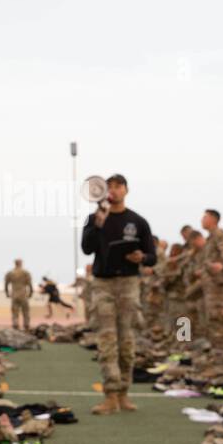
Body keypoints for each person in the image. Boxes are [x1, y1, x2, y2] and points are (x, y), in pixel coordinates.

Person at [81, 174, 155, 415]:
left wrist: (141, 258)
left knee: (127, 340)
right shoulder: (95, 218)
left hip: (129, 284)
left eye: (118, 186)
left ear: (126, 190)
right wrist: (98, 223)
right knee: (107, 340)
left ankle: (124, 392)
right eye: (109, 187)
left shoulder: (138, 221)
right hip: (103, 284)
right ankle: (110, 395)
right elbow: (86, 248)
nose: (113, 190)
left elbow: (151, 255)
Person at [199, 209, 223, 344]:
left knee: (219, 317)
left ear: (213, 220)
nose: (202, 220)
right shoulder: (211, 237)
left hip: (219, 286)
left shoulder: (219, 235)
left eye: (205, 217)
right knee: (212, 317)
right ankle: (217, 349)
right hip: (212, 285)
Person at [4, 259, 34, 330]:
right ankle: (26, 325)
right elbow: (30, 284)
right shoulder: (25, 273)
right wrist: (31, 293)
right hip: (23, 294)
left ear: (15, 263)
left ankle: (15, 325)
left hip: (14, 294)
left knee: (15, 312)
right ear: (21, 263)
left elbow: (6, 284)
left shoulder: (10, 273)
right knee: (26, 312)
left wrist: (7, 293)